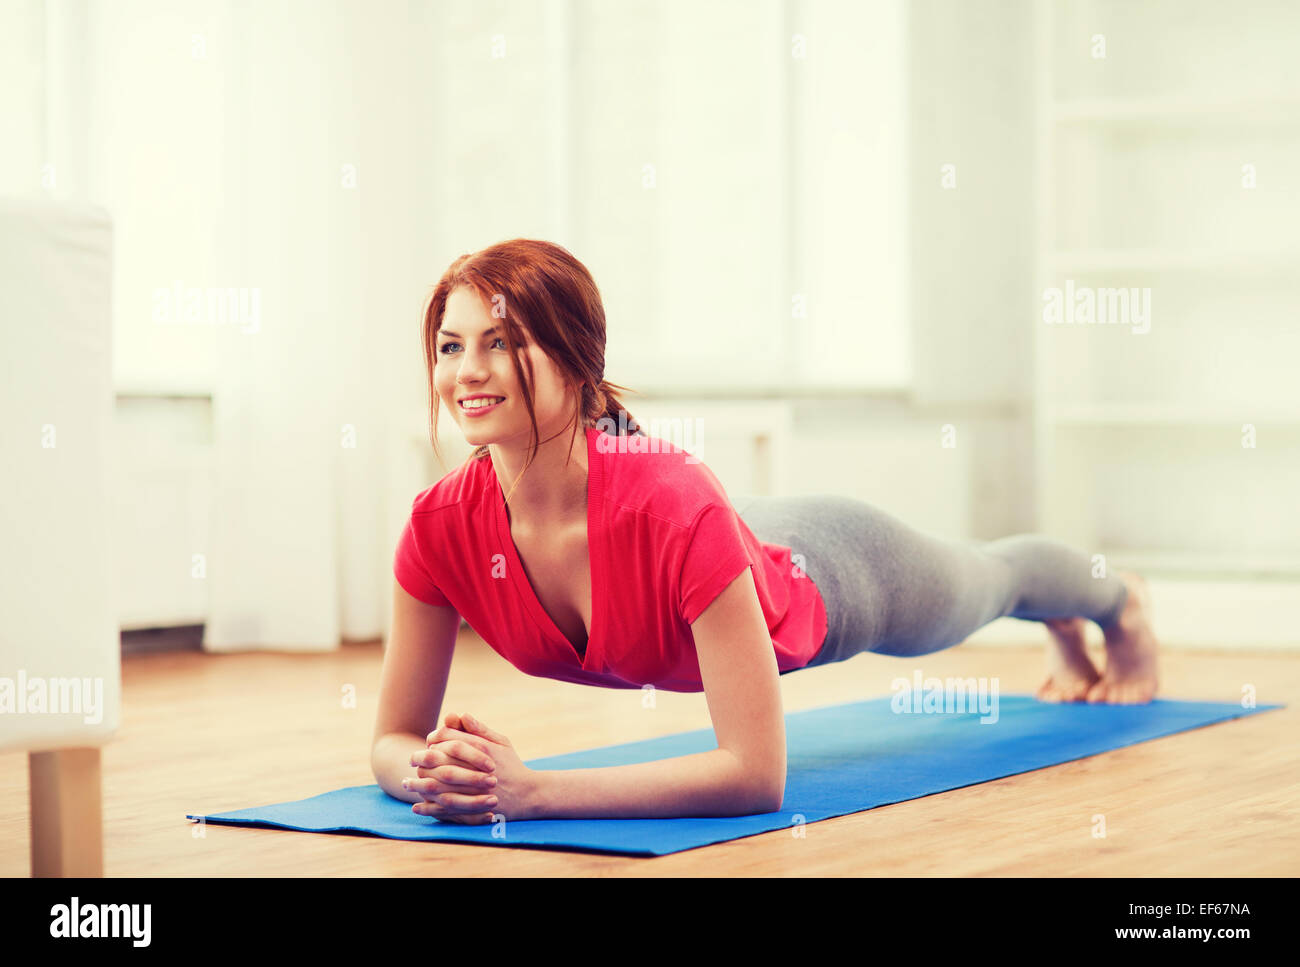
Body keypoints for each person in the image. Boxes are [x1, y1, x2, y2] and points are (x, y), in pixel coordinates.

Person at [371, 239, 1161, 825]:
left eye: (499, 342)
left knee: (989, 581)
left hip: (831, 568)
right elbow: (392, 740)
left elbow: (754, 776)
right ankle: (1067, 618)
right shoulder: (439, 529)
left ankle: (1118, 604)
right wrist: (442, 773)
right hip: (724, 547)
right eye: (451, 345)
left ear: (578, 363)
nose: (467, 370)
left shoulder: (672, 500)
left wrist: (532, 791)